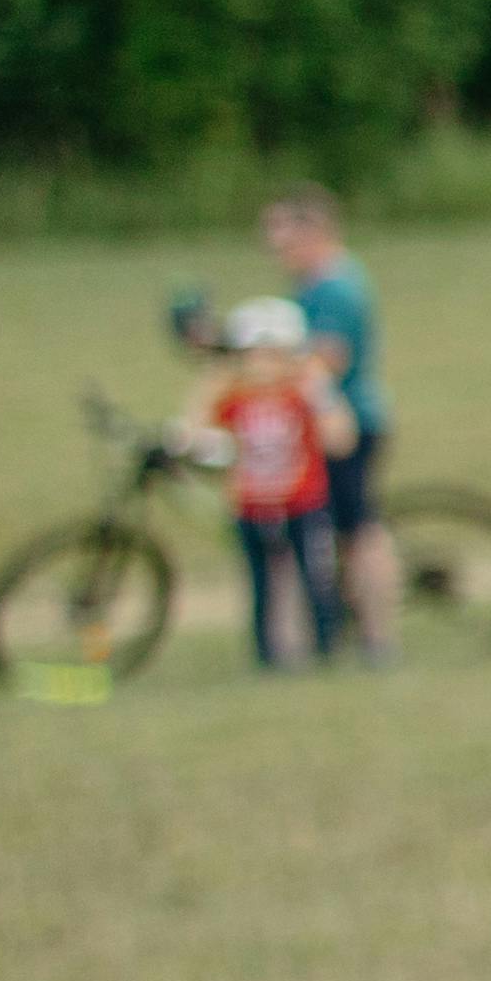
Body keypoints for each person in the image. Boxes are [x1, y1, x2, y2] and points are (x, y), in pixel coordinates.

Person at [259, 187, 395, 668]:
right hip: (330, 424)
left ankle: (379, 638)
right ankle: (341, 627)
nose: (277, 252)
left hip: (347, 425)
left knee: (358, 531)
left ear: (314, 232)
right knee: (343, 532)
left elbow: (327, 360)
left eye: (284, 240)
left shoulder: (334, 287)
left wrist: (264, 375)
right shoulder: (315, 284)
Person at [181, 298, 352, 673]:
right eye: (255, 355)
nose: (264, 365)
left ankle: (326, 647)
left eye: (275, 355)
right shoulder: (236, 398)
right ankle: (267, 655)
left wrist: (320, 387)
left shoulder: (301, 395)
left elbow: (341, 438)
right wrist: (212, 381)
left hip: (302, 503)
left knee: (315, 579)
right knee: (260, 585)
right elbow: (192, 434)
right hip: (251, 505)